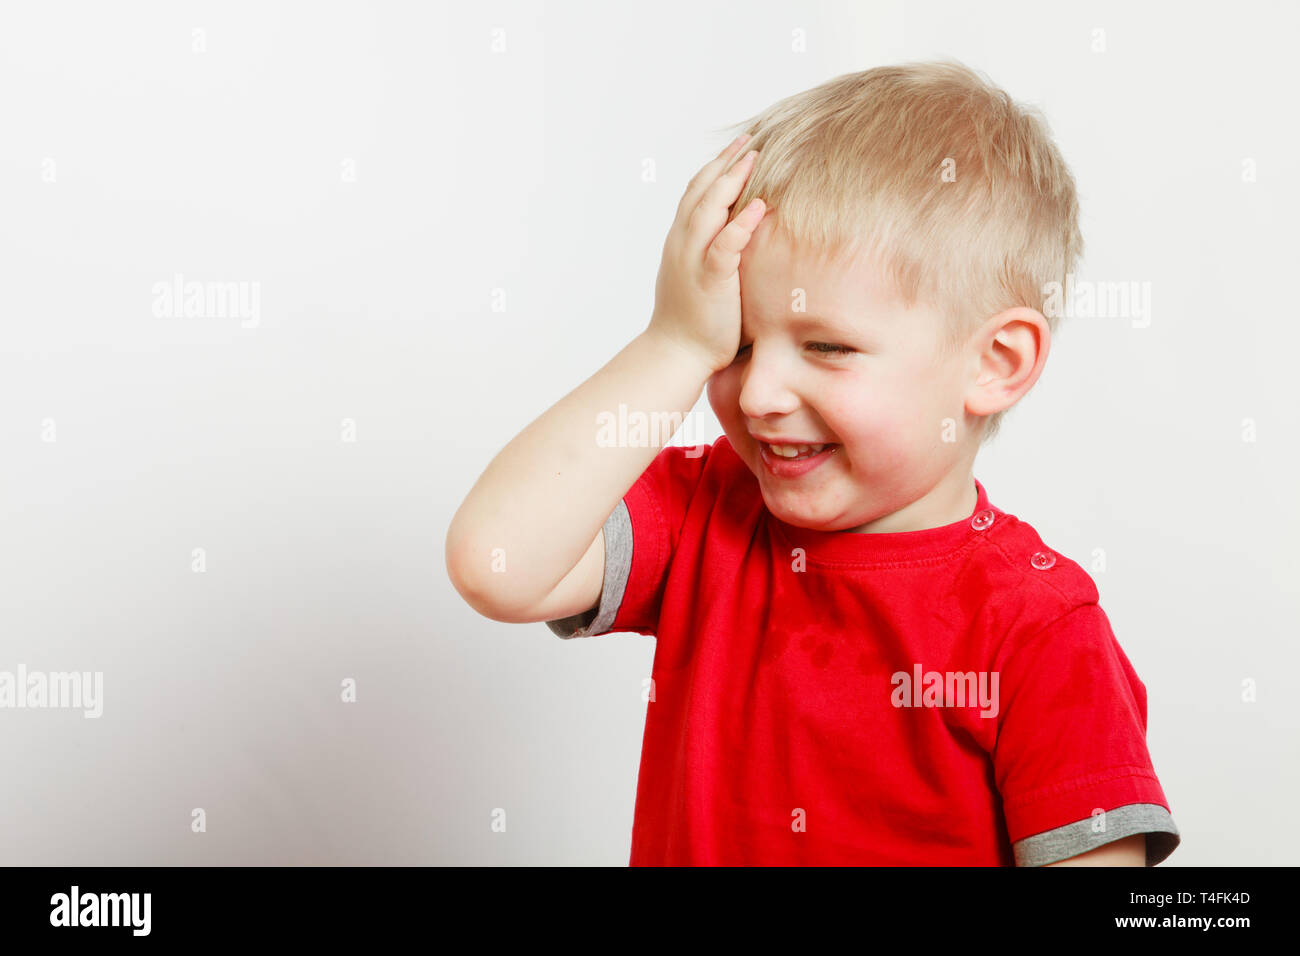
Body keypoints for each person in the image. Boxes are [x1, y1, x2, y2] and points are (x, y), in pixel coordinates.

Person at [446, 60, 1180, 866]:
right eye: (736, 343)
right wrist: (676, 341)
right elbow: (497, 564)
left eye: (826, 347)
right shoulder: (704, 510)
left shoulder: (1038, 627)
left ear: (995, 362)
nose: (758, 393)